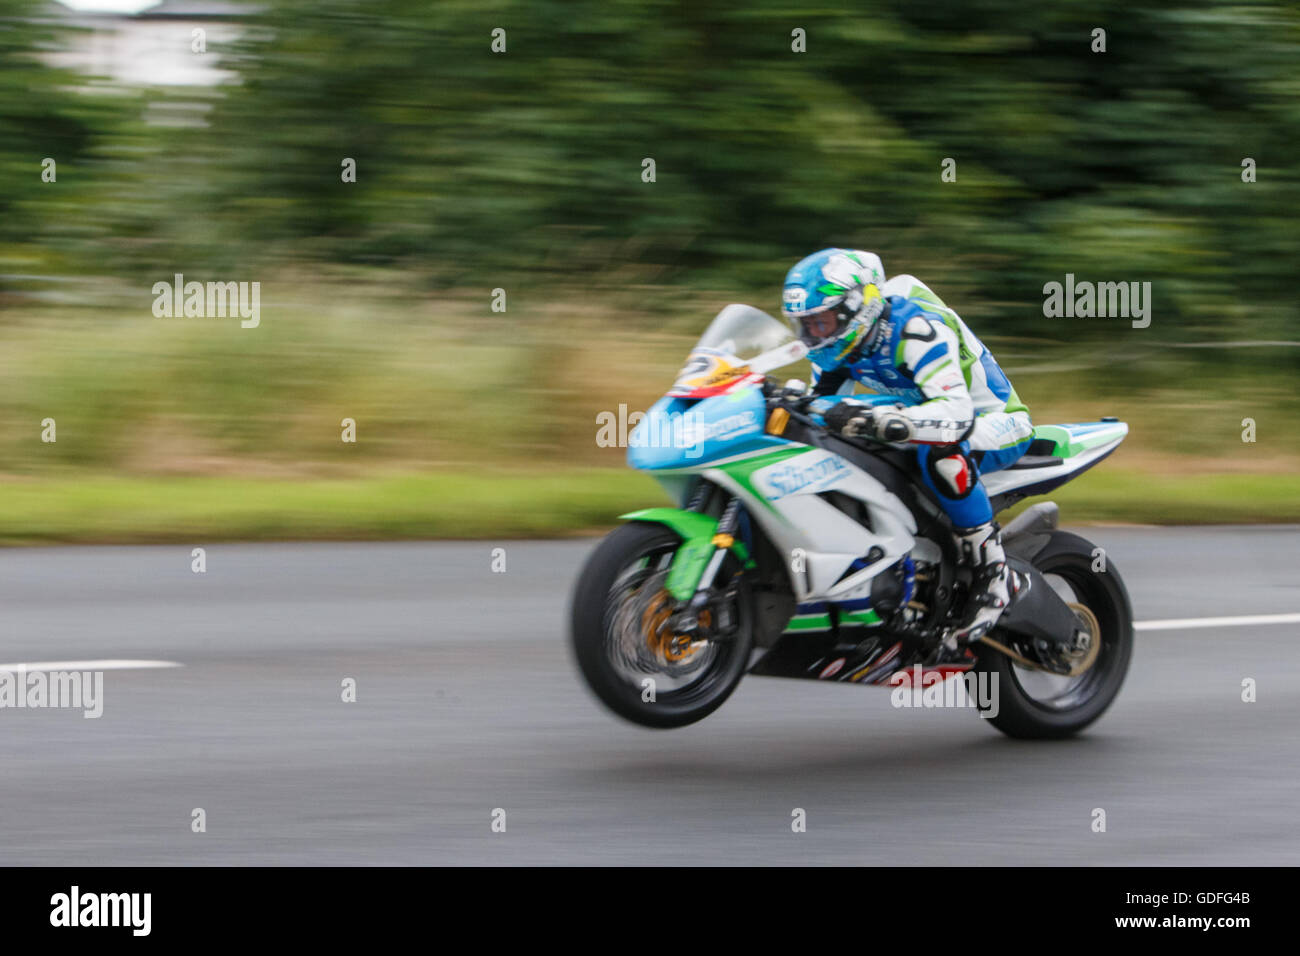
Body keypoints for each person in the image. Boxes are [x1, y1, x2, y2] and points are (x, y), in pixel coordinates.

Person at [781, 248, 1034, 644]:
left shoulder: (917, 330)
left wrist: (877, 420)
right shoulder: (839, 344)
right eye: (805, 325)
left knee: (939, 452)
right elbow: (818, 406)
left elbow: (954, 417)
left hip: (993, 423)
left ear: (855, 308)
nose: (814, 334)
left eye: (821, 321)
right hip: (923, 415)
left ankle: (993, 572)